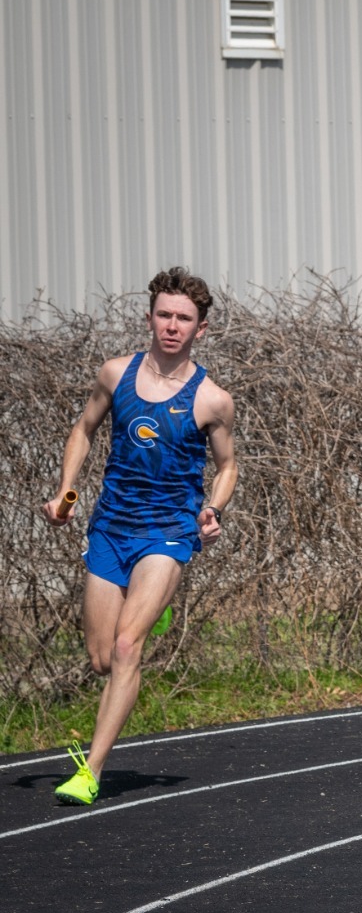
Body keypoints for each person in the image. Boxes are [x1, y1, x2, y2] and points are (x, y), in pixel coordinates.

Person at [41, 268, 239, 807]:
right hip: (110, 527)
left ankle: (91, 770)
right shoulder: (115, 374)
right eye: (164, 315)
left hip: (168, 532)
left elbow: (227, 466)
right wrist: (65, 491)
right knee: (103, 658)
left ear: (202, 328)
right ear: (149, 317)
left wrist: (213, 508)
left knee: (129, 647)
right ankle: (153, 609)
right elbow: (83, 430)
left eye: (184, 319)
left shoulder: (212, 400)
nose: (172, 326)